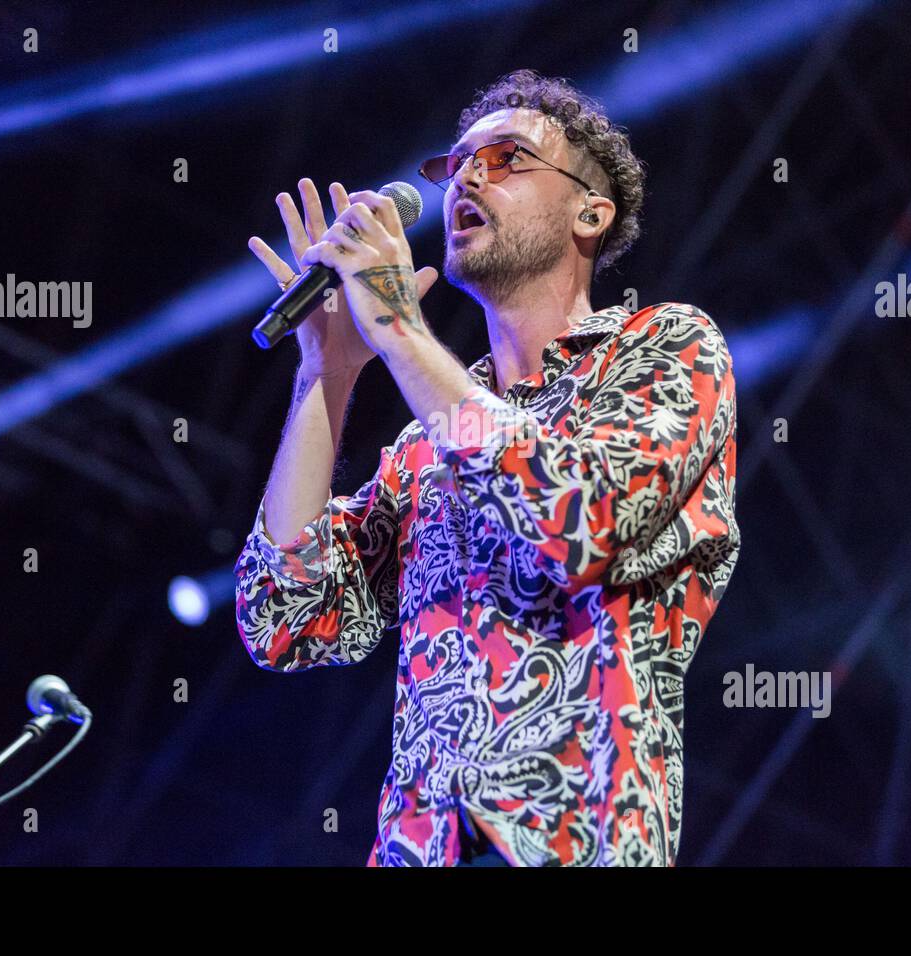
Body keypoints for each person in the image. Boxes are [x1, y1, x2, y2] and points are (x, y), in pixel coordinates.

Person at [237, 69, 739, 866]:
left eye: (504, 158)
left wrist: (400, 334)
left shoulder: (666, 347)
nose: (465, 175)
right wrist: (324, 378)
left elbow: (578, 522)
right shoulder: (423, 443)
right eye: (457, 162)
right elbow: (289, 620)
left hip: (572, 840)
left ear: (590, 211)